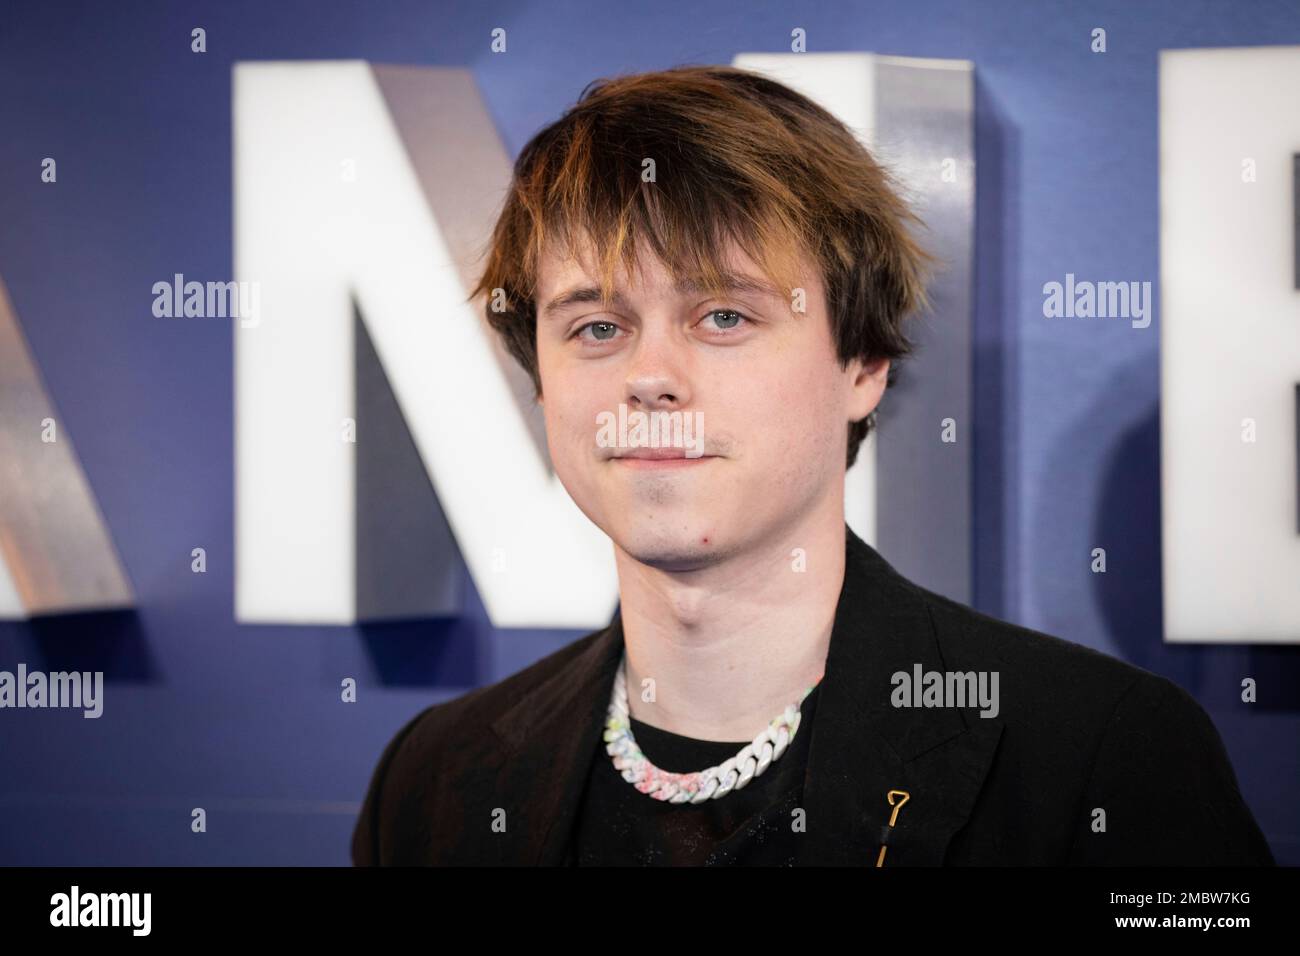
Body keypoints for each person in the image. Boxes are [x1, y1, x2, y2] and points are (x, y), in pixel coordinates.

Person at [351, 64, 1274, 866]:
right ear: (542, 382)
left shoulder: (1098, 754)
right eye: (597, 326)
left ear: (862, 364)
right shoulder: (434, 777)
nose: (650, 379)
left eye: (724, 317)